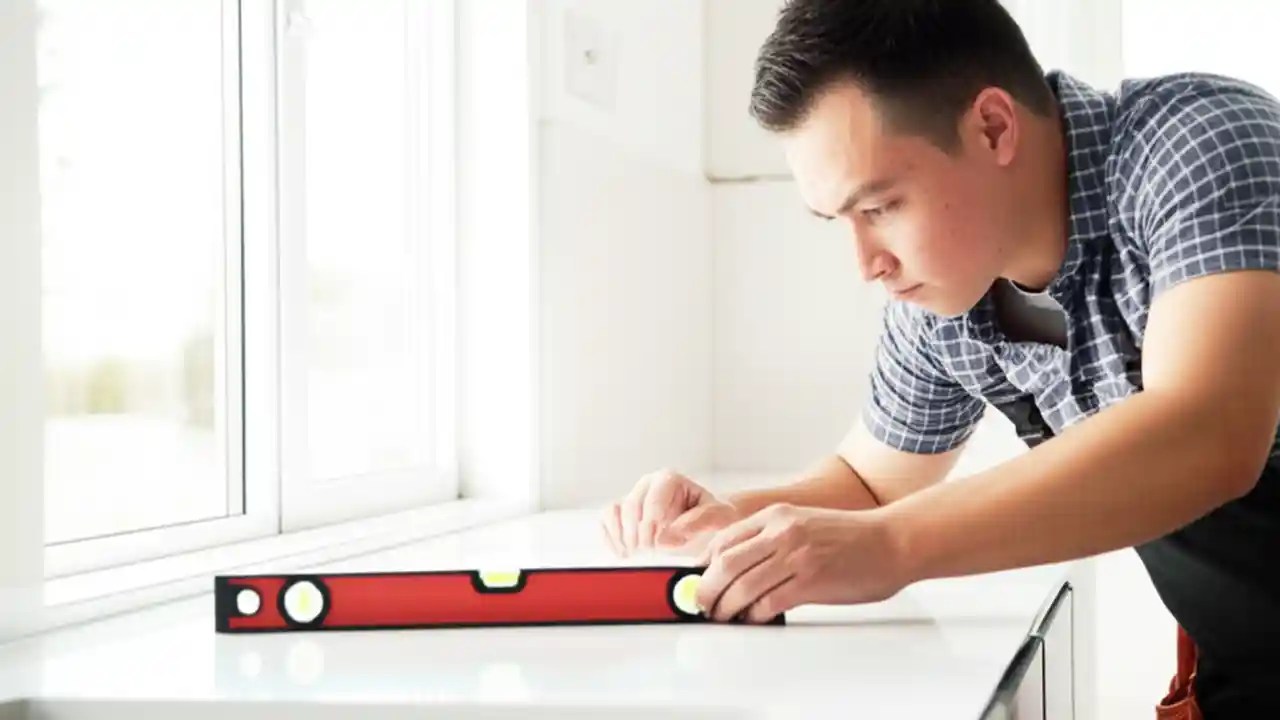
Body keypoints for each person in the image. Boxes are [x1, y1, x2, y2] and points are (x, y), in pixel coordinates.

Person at [599, 0, 1280, 716]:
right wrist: (732, 526)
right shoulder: (948, 298)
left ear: (993, 128)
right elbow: (870, 484)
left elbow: (1208, 429)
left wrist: (890, 549)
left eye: (880, 207)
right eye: (839, 221)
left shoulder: (1199, 145)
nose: (866, 263)